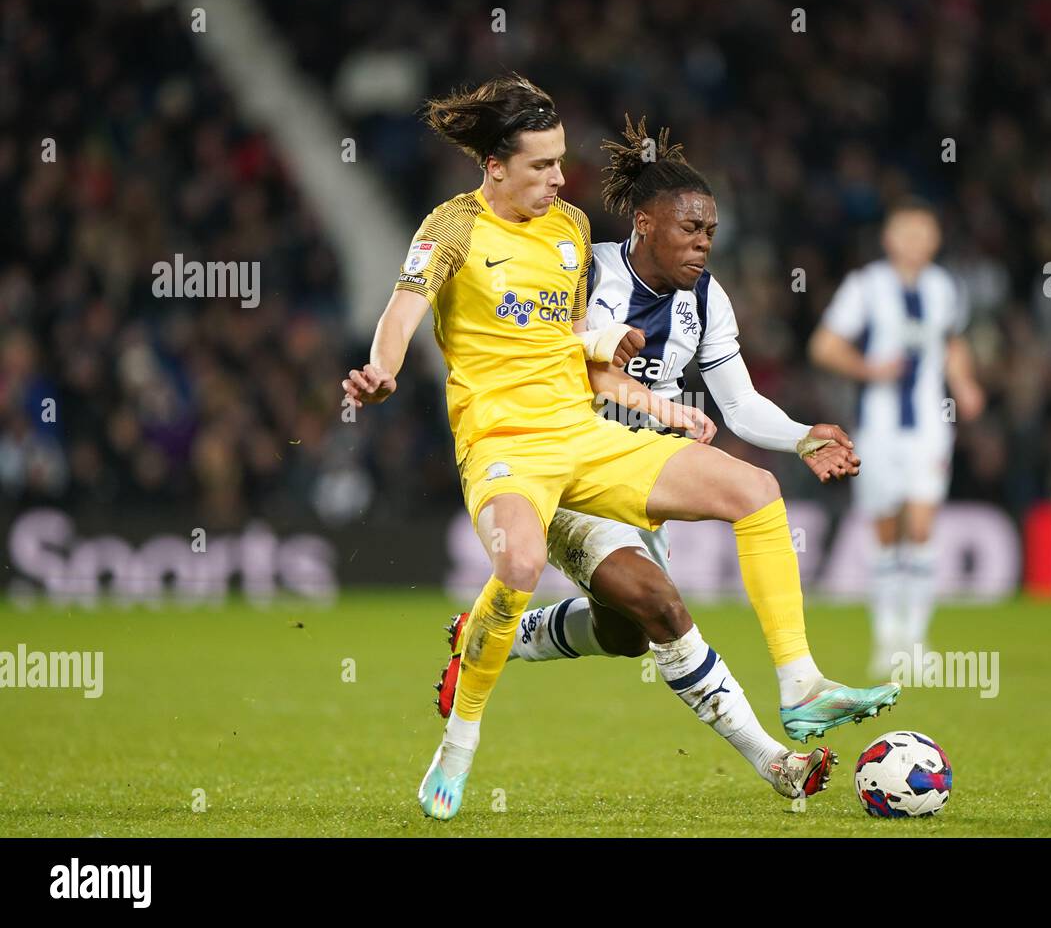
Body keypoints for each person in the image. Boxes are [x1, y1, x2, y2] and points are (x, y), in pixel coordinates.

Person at [343, 77, 894, 821]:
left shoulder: (568, 229)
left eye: (560, 161)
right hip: (504, 442)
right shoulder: (453, 227)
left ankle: (801, 685)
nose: (558, 179)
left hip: (586, 434)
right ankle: (461, 741)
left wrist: (661, 404)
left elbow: (577, 357)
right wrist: (383, 371)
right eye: (540, 166)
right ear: (495, 165)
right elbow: (402, 312)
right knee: (525, 565)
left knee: (751, 495)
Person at [809, 199, 985, 677]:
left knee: (923, 529)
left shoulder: (944, 288)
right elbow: (824, 345)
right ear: (889, 239)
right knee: (886, 533)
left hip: (930, 427)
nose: (914, 242)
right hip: (878, 428)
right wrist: (867, 369)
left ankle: (917, 642)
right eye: (905, 233)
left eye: (923, 233)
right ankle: (887, 640)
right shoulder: (866, 286)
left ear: (935, 240)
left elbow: (952, 343)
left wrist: (964, 384)